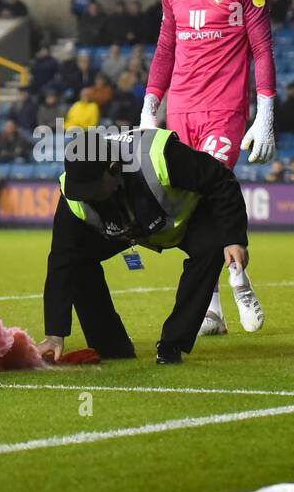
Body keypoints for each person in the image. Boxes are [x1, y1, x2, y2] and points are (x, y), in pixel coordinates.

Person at [140, 0, 274, 338]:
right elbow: (165, 51)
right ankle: (212, 309)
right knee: (189, 207)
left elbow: (262, 51)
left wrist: (266, 113)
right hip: (180, 111)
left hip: (223, 111)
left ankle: (238, 281)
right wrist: (149, 107)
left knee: (215, 189)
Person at [37, 127, 258, 366]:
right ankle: (111, 346)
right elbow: (62, 260)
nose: (85, 197)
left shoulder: (162, 156)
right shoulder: (75, 194)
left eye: (92, 190)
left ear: (113, 169)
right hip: (129, 226)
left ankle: (173, 343)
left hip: (184, 220)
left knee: (211, 246)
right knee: (77, 260)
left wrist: (234, 238)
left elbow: (220, 180)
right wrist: (54, 334)